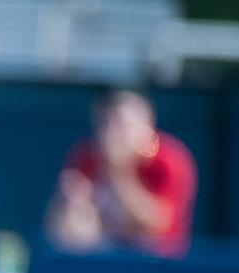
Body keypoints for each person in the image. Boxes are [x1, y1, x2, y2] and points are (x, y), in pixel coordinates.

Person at [46, 89, 195, 258]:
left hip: (157, 264)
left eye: (123, 125)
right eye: (106, 123)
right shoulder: (87, 156)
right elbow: (58, 232)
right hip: (102, 261)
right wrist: (70, 203)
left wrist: (118, 170)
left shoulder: (169, 161)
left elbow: (156, 227)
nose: (112, 133)